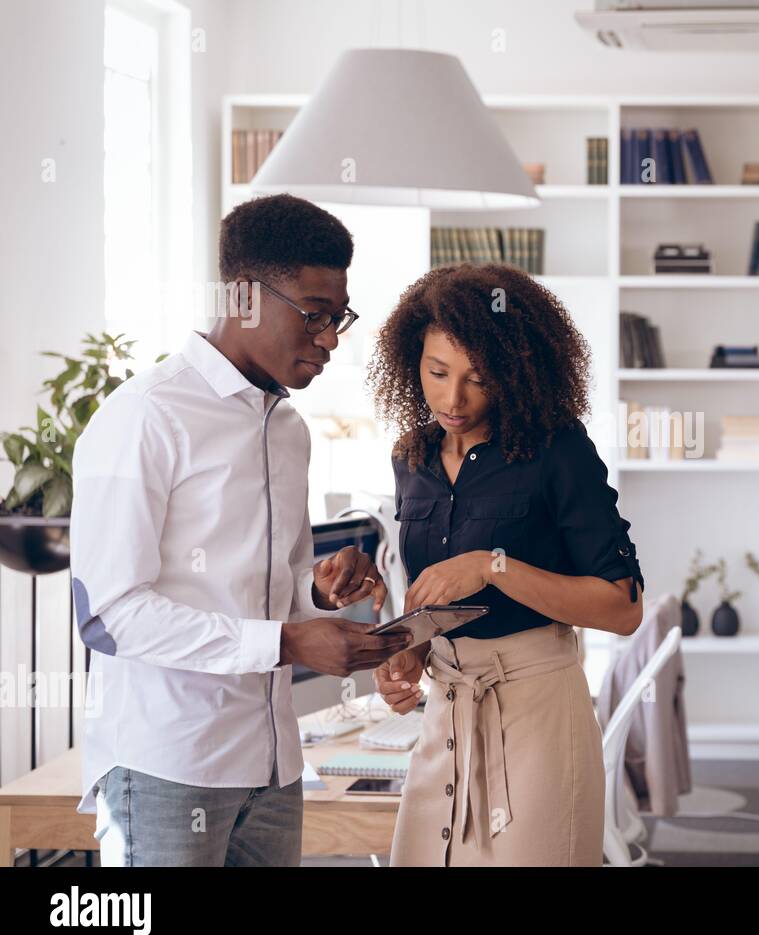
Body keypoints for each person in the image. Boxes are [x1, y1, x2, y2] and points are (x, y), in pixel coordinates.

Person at [71, 194, 408, 866]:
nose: (330, 338)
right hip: (168, 767)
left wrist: (319, 591)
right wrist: (288, 641)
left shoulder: (289, 429)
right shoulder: (145, 416)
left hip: (273, 764)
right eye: (314, 314)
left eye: (338, 317)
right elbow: (108, 615)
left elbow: (278, 585)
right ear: (245, 298)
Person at [368, 263, 645, 866]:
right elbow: (435, 598)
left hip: (536, 720)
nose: (454, 398)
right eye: (438, 372)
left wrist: (492, 566)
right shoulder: (411, 458)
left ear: (516, 372)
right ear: (412, 361)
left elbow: (623, 609)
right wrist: (408, 655)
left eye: (478, 378)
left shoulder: (557, 449)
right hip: (444, 720)